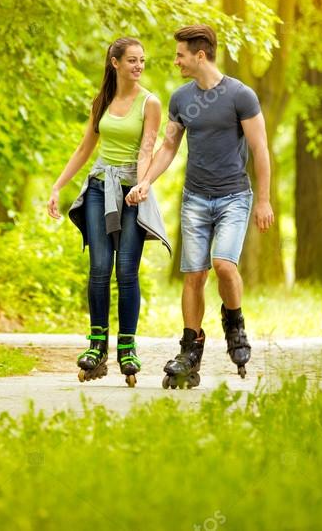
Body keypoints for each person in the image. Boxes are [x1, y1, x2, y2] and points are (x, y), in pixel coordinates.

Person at [127, 24, 274, 389]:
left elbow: (260, 149)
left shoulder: (241, 96)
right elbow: (169, 147)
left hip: (234, 197)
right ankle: (190, 349)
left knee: (224, 265)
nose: (176, 61)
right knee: (194, 275)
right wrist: (145, 181)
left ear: (200, 55)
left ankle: (234, 325)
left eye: (180, 55)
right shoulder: (180, 99)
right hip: (195, 198)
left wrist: (265, 201)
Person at [47, 37, 171, 387]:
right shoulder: (101, 102)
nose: (138, 66)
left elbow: (147, 147)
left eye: (142, 60)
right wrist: (58, 186)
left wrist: (143, 183)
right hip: (100, 189)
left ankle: (127, 348)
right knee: (100, 267)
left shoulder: (150, 102)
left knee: (127, 270)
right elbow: (86, 147)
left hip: (132, 193)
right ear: (115, 62)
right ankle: (97, 345)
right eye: (132, 60)